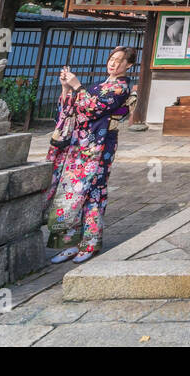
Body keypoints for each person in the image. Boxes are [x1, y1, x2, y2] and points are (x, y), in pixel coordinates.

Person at [43, 46, 136, 264]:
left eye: (120, 61)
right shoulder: (99, 86)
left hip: (100, 145)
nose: (113, 64)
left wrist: (77, 86)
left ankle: (89, 243)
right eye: (112, 59)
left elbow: (93, 109)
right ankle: (68, 243)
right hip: (79, 144)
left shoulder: (120, 88)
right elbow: (71, 109)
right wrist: (66, 88)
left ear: (128, 65)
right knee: (71, 191)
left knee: (94, 192)